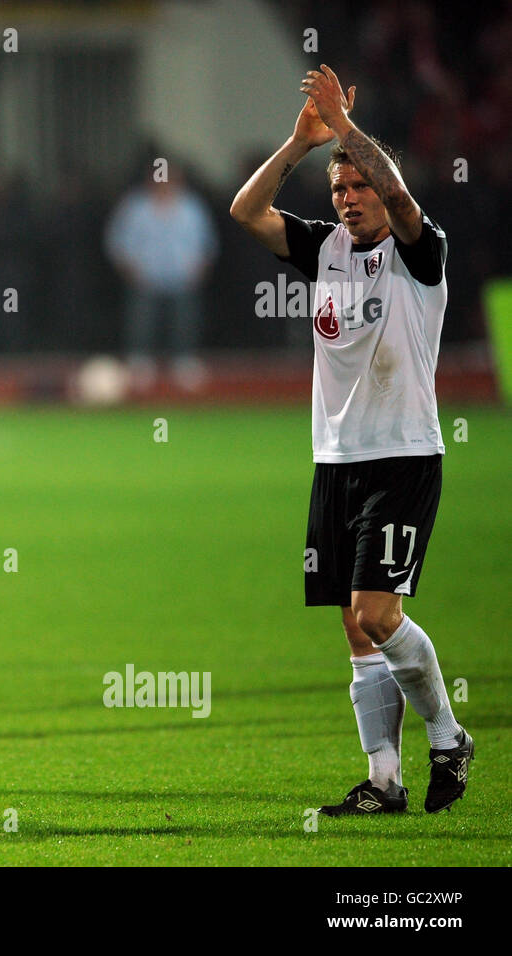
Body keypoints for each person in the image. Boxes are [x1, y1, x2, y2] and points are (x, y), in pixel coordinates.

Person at [230, 66, 470, 815]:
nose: (348, 197)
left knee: (378, 615)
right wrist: (303, 143)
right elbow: (246, 209)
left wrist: (347, 131)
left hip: (401, 455)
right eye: (339, 189)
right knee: (354, 631)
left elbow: (402, 197)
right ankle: (384, 780)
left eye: (357, 185)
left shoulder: (417, 251)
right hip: (335, 460)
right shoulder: (323, 249)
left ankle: (450, 736)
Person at [105, 174, 217, 392]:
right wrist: (128, 269)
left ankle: (183, 362)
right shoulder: (135, 207)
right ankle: (140, 363)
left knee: (184, 321)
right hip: (146, 277)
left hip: (182, 278)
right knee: (141, 321)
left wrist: (200, 268)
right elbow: (117, 240)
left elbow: (207, 241)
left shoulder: (191, 207)